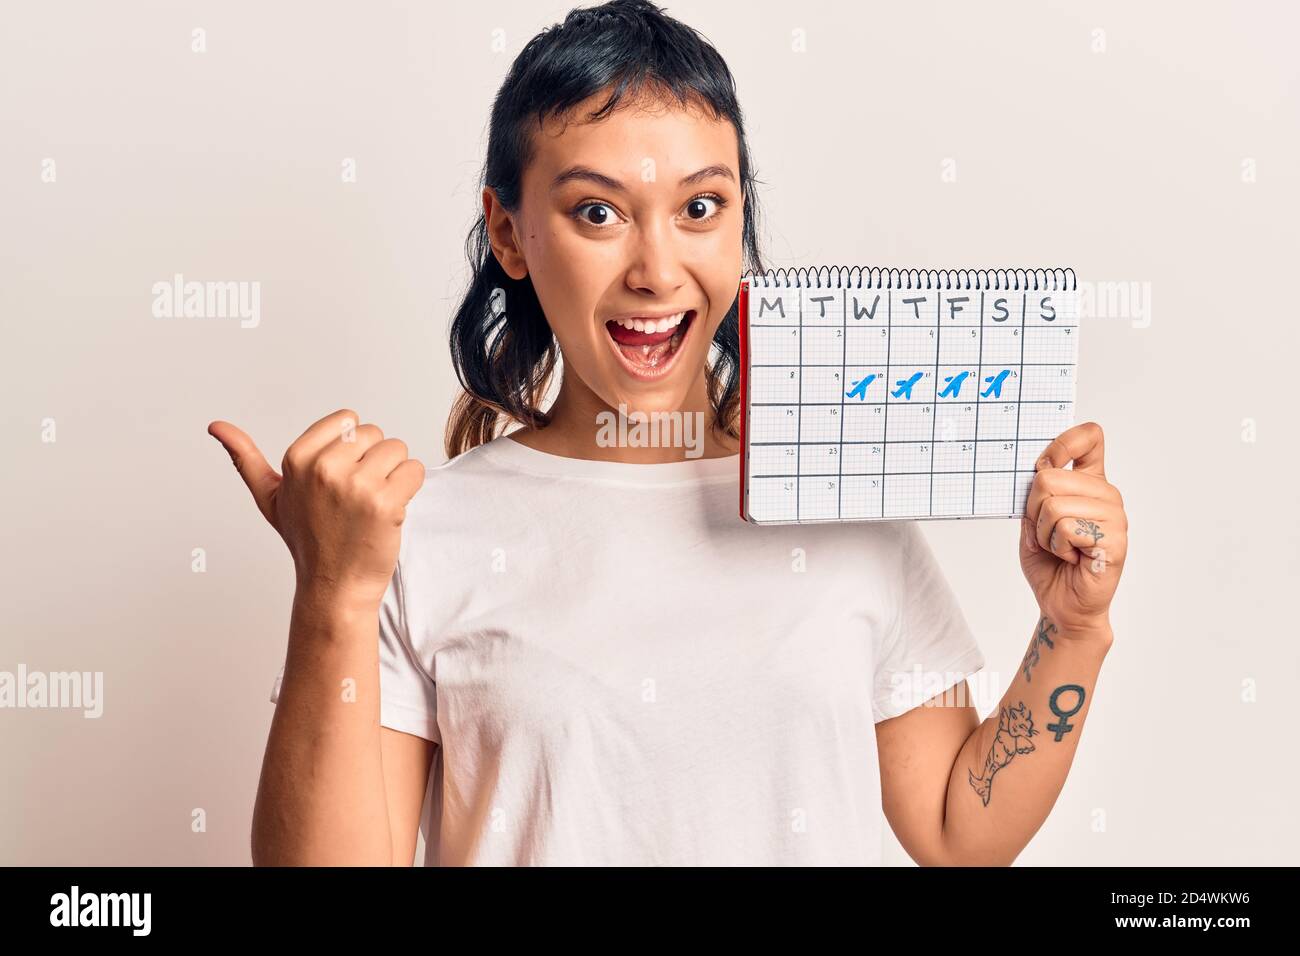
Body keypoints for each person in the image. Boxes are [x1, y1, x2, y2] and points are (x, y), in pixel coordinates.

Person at [210, 0, 1128, 866]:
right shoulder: (420, 537)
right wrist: (332, 594)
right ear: (510, 232)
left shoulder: (843, 505)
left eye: (700, 207)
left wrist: (1071, 629)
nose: (657, 269)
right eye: (597, 212)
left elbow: (955, 827)